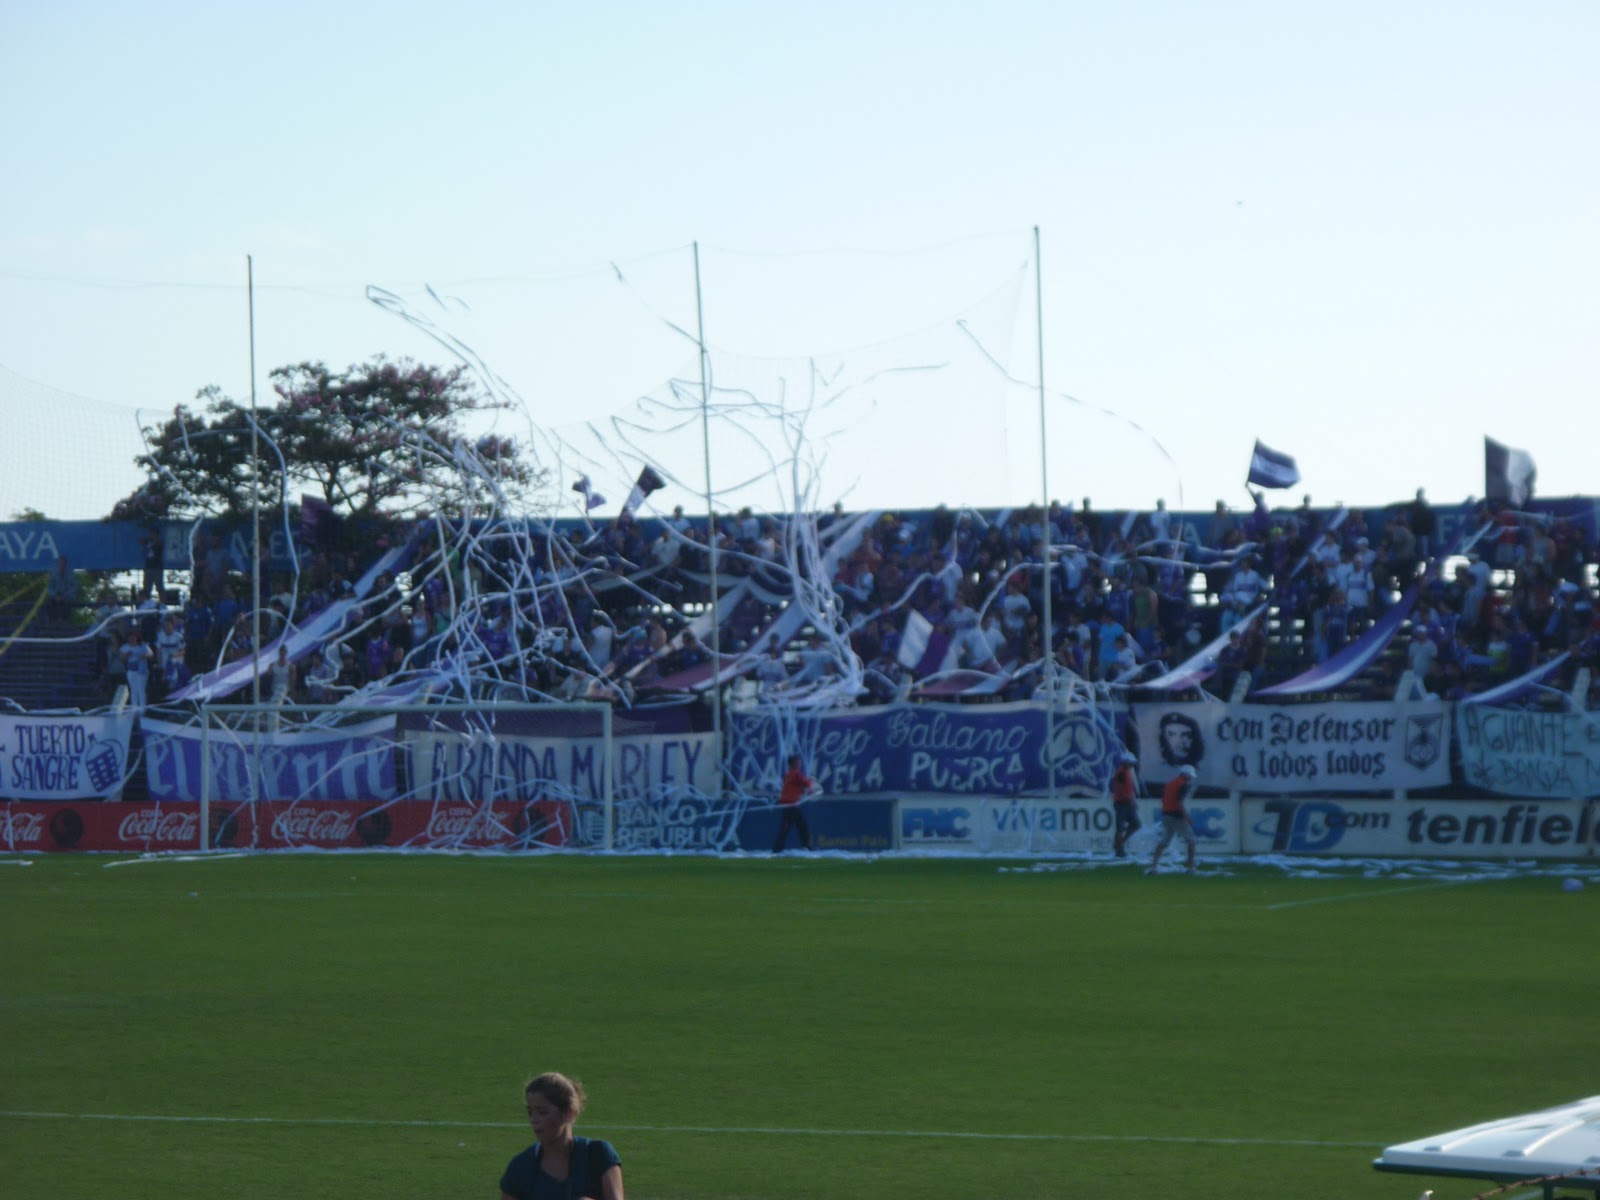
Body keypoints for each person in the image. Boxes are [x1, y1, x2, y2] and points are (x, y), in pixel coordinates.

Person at [499, 1072, 623, 1200]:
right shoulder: (520, 1168)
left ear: (568, 1113)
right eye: (530, 1112)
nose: (533, 1119)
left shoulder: (598, 1155)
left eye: (542, 1112)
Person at [1149, 764, 1198, 875]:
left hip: (1166, 815)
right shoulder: (1183, 785)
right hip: (1176, 816)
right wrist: (1186, 817)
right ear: (1187, 775)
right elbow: (1179, 802)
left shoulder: (1171, 783)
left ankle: (1154, 867)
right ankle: (1190, 867)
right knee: (1192, 840)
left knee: (1164, 842)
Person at [772, 753, 817, 853]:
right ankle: (806, 846)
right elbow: (806, 784)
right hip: (790, 804)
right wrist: (811, 780)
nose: (800, 764)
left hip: (789, 804)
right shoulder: (795, 774)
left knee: (795, 825)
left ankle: (779, 848)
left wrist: (806, 790)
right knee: (793, 826)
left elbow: (795, 788)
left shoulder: (788, 775)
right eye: (798, 762)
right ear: (793, 764)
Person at [1110, 751, 1142, 858]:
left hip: (1127, 803)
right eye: (1130, 763)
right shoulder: (1121, 773)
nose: (1132, 765)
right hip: (1122, 803)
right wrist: (1131, 799)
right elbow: (1120, 790)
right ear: (1126, 762)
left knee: (1136, 824)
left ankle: (1119, 845)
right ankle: (1119, 849)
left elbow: (1129, 789)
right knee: (1120, 828)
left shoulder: (1127, 771)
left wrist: (1132, 799)